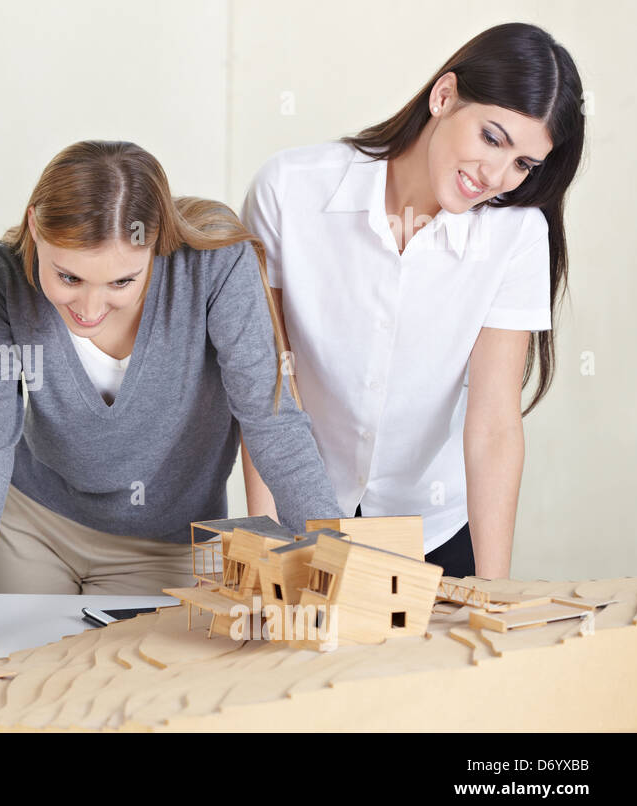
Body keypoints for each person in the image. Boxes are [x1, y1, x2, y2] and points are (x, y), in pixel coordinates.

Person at [0, 140, 342, 665]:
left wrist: (336, 558)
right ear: (36, 227)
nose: (88, 308)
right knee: (19, 676)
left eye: (121, 282)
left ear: (155, 245)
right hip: (33, 528)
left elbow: (271, 419)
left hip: (164, 541)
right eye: (68, 277)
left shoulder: (217, 268)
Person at [239, 23, 584, 579]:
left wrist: (493, 594)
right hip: (301, 518)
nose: (496, 176)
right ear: (443, 97)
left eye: (524, 164)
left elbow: (494, 422)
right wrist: (267, 545)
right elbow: (269, 387)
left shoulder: (516, 235)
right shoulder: (290, 189)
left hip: (433, 530)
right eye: (492, 138)